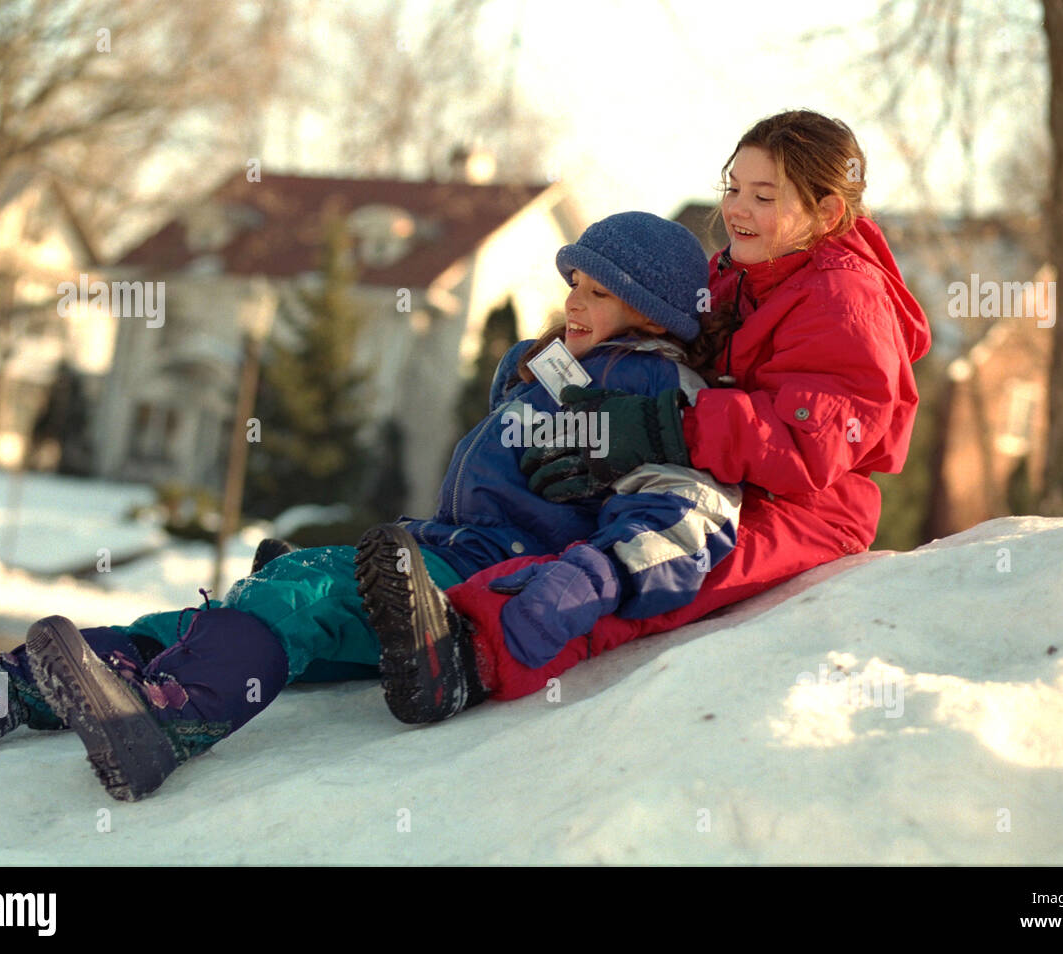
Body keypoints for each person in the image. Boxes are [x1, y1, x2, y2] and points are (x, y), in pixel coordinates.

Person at [0, 211, 741, 800]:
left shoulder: (657, 391)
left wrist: (584, 581)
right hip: (441, 547)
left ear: (652, 315)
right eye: (573, 284)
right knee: (242, 608)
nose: (572, 303)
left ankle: (176, 721)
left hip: (484, 575)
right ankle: (6, 692)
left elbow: (687, 519)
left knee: (300, 587)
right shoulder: (560, 369)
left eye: (596, 293)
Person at [359, 109, 931, 712]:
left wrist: (660, 430)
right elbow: (643, 344)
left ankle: (475, 655)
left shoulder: (846, 299)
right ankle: (385, 617)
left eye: (763, 197)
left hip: (805, 508)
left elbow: (810, 442)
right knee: (564, 522)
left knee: (656, 566)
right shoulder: (733, 274)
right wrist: (555, 366)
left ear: (826, 214)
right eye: (733, 187)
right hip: (710, 467)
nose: (737, 209)